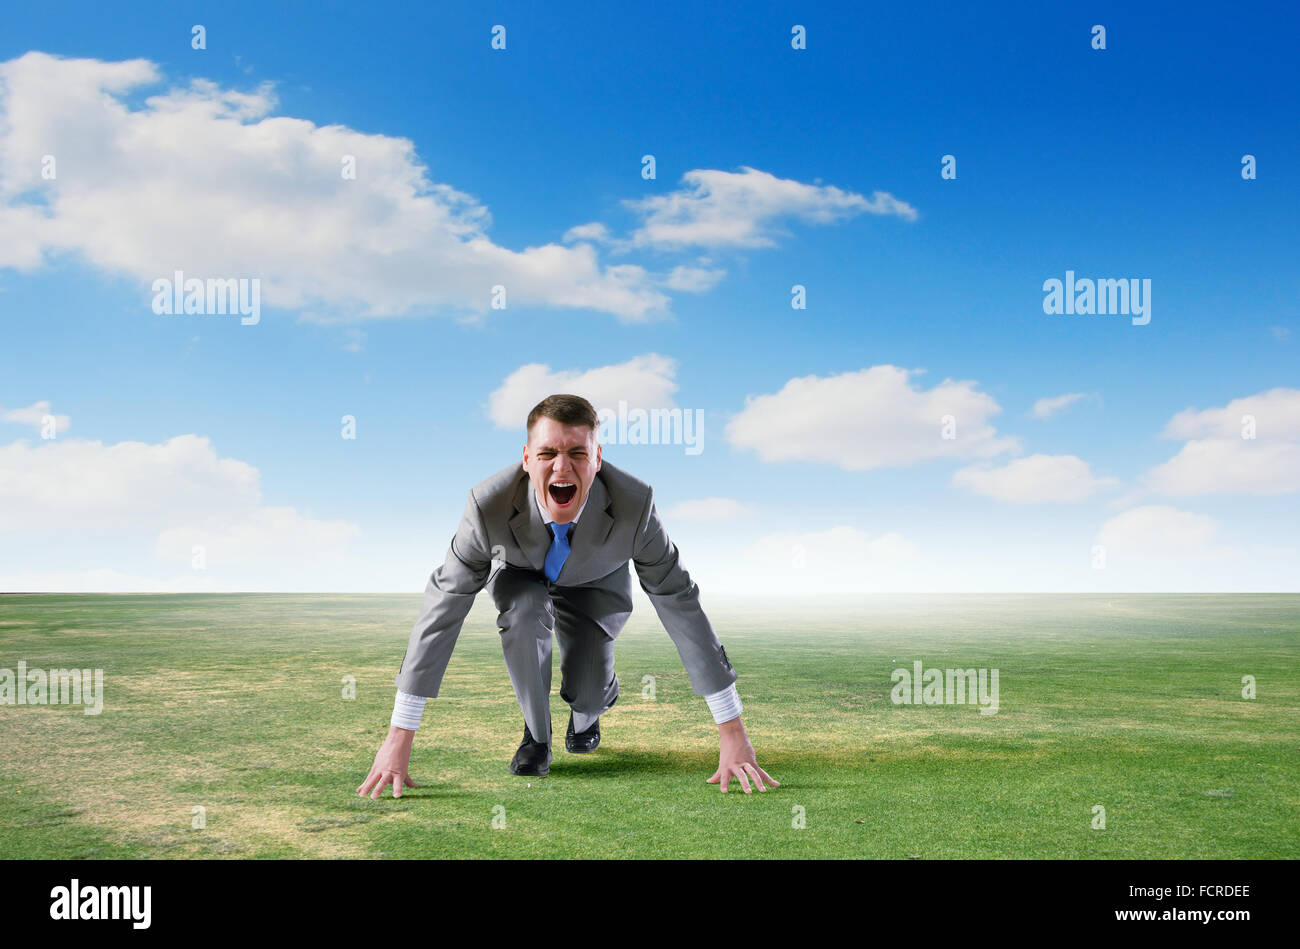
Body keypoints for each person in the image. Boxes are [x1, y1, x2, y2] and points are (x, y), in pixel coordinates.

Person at [358, 393, 777, 797]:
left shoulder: (636, 505)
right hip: (520, 576)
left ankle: (587, 716)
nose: (562, 467)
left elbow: (678, 600)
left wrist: (733, 732)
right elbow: (442, 609)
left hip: (595, 584)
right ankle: (536, 738)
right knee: (524, 613)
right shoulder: (487, 507)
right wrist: (399, 736)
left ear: (598, 458)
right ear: (526, 459)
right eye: (547, 454)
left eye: (577, 453)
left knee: (589, 689)